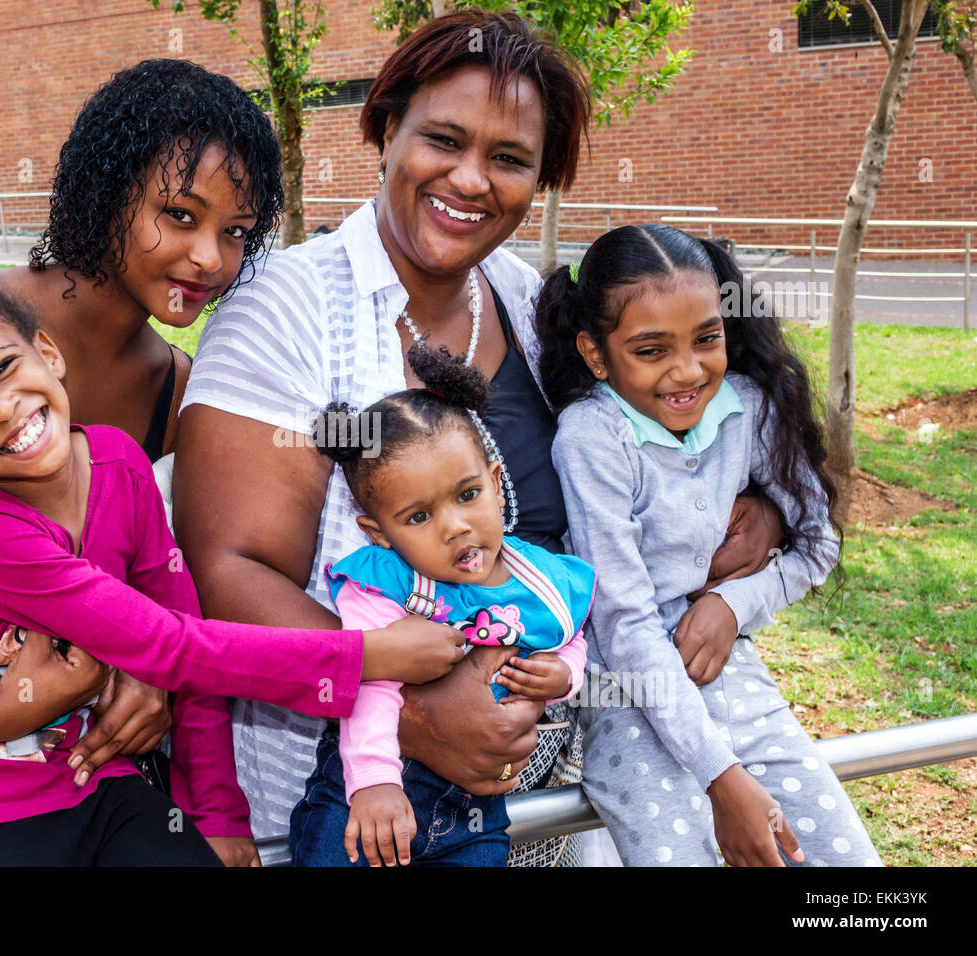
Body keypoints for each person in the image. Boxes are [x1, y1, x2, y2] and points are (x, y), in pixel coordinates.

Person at [0, 58, 457, 867]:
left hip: (46, 778)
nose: (209, 257)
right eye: (179, 214)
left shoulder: (174, 391)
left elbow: (147, 586)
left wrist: (136, 679)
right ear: (105, 190)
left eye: (237, 231)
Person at [173, 10, 784, 865]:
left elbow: (637, 442)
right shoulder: (285, 307)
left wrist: (754, 506)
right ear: (387, 131)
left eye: (508, 159)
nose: (470, 179)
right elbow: (229, 573)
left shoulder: (524, 300)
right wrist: (414, 712)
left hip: (535, 796)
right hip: (352, 802)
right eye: (443, 140)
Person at [0, 244, 463, 866]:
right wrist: (366, 655)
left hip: (95, 778)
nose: (0, 410)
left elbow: (182, 637)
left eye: (4, 369)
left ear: (47, 351)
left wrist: (217, 812)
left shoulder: (121, 463)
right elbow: (171, 644)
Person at [539, 224, 881, 867]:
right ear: (595, 353)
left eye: (707, 337)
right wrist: (723, 779)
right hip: (624, 696)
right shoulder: (591, 438)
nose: (689, 369)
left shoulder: (749, 406)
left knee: (844, 863)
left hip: (733, 676)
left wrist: (733, 603)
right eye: (651, 349)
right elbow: (624, 624)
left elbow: (817, 542)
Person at [288, 346, 596, 866]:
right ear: (377, 533)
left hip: (477, 811)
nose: (454, 525)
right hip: (370, 792)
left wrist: (564, 674)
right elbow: (369, 683)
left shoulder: (540, 577)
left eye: (468, 494)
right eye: (417, 517)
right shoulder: (383, 589)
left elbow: (568, 636)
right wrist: (375, 782)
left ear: (498, 485)